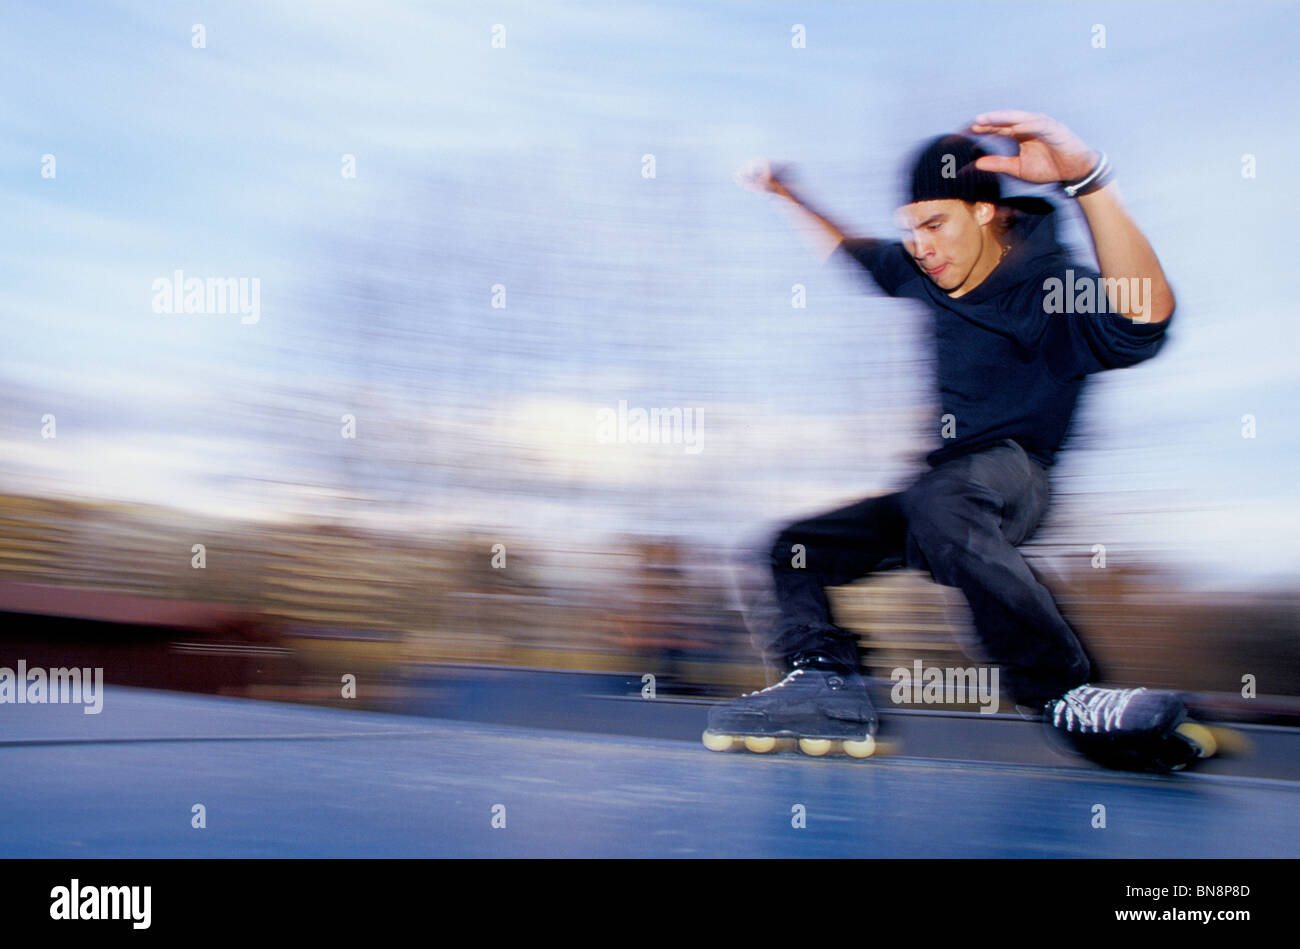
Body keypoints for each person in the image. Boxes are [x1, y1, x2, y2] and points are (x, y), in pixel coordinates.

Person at [706, 111, 1210, 772]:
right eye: (909, 227)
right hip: (935, 492)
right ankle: (824, 683)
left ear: (986, 214)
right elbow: (851, 252)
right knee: (795, 547)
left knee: (946, 502)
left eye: (935, 224)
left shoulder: (1049, 289)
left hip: (1014, 477)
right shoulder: (923, 267)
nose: (920, 246)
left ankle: (1066, 693)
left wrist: (1088, 180)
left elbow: (1143, 318)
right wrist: (787, 194)